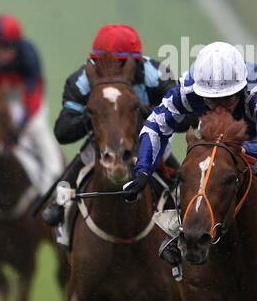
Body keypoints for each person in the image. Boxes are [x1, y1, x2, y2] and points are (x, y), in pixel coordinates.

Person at [121, 41, 257, 260]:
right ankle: (180, 227)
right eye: (211, 101)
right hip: (212, 138)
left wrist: (236, 149)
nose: (220, 107)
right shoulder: (190, 86)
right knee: (198, 170)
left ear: (241, 89)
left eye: (228, 99)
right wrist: (143, 172)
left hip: (253, 137)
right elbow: (155, 125)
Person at [38, 24, 177, 227]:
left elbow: (184, 120)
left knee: (175, 171)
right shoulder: (81, 80)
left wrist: (144, 112)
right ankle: (60, 205)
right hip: (103, 141)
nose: (112, 70)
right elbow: (63, 131)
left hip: (149, 135)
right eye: (104, 63)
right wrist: (96, 115)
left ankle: (182, 209)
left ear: (135, 61)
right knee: (84, 158)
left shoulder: (157, 74)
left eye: (121, 63)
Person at [0, 13, 63, 191]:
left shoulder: (29, 55)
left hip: (22, 101)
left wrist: (22, 124)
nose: (6, 53)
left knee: (39, 131)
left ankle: (52, 180)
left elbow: (34, 96)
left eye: (11, 48)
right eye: (1, 48)